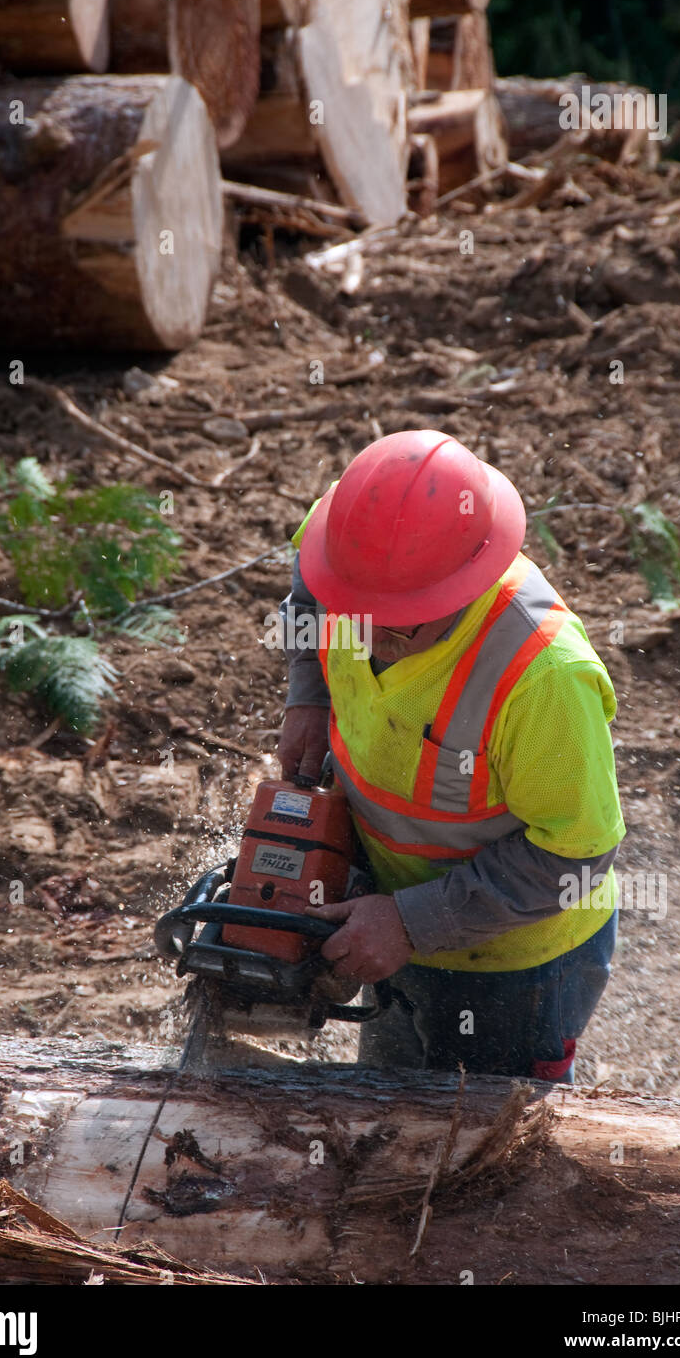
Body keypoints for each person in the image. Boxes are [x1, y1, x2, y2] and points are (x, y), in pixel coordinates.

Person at [276, 429, 625, 1081]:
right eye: (350, 610)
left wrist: (412, 922)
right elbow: (308, 586)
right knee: (387, 1116)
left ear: (466, 587)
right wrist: (309, 698)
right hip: (387, 915)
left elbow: (575, 855)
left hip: (512, 964)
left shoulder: (542, 673)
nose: (365, 635)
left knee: (480, 1158)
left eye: (393, 625)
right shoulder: (357, 537)